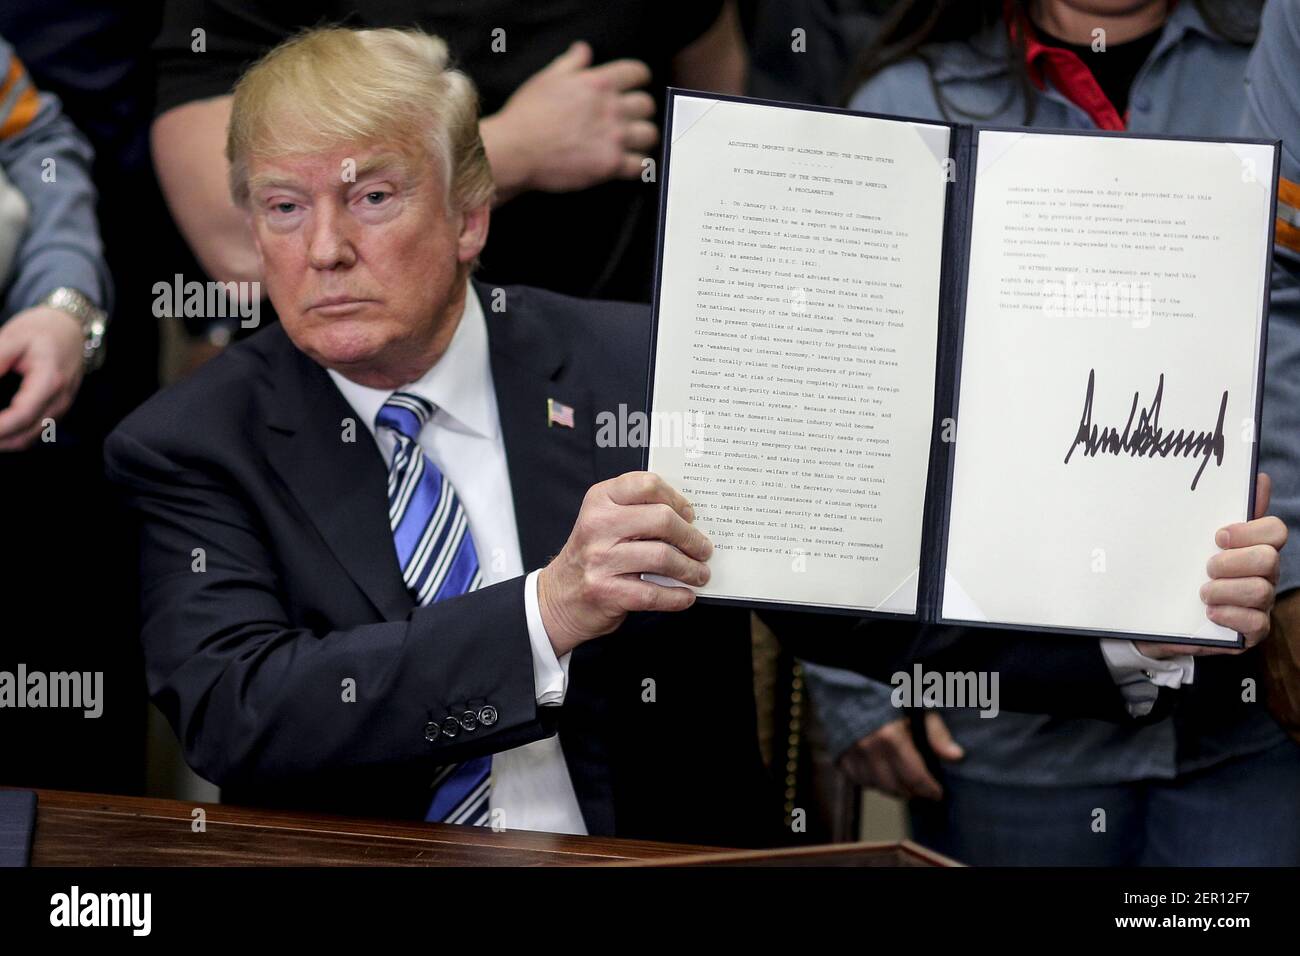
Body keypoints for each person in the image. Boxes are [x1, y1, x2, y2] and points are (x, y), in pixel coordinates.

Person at [104, 25, 1282, 845]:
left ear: (468, 215)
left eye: (372, 196)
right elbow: (239, 709)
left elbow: (862, 594)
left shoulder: (644, 368)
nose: (324, 249)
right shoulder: (191, 441)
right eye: (284, 205)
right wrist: (545, 612)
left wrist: (1134, 620)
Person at [801, 0, 1300, 865]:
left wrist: (1290, 581)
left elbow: (1286, 332)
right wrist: (858, 687)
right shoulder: (907, 101)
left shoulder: (1271, 69)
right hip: (1010, 726)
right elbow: (839, 403)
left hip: (1247, 707)